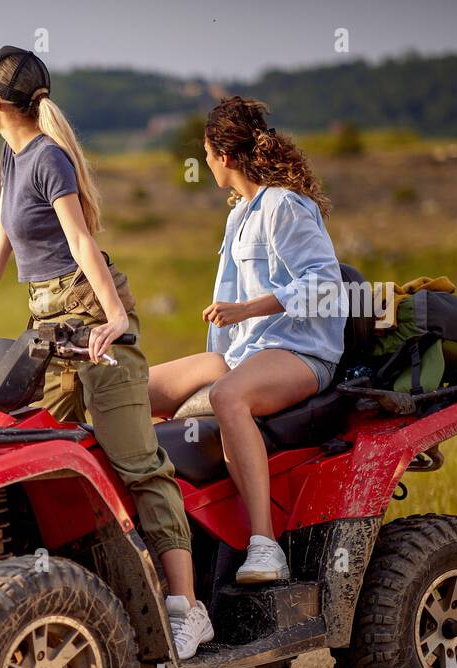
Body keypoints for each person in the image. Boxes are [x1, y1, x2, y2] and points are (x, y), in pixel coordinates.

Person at [0, 46, 213, 659]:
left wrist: (116, 319)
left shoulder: (48, 159)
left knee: (138, 461)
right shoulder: (13, 159)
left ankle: (187, 608)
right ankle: (74, 590)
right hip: (46, 322)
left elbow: (82, 242)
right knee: (44, 450)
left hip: (88, 319)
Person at [148, 97, 346, 584]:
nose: (208, 163)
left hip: (301, 352)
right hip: (246, 353)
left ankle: (265, 544)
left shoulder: (284, 205)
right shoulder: (240, 213)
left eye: (208, 154)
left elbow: (326, 282)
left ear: (225, 156)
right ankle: (173, 527)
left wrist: (250, 309)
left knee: (227, 396)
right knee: (137, 392)